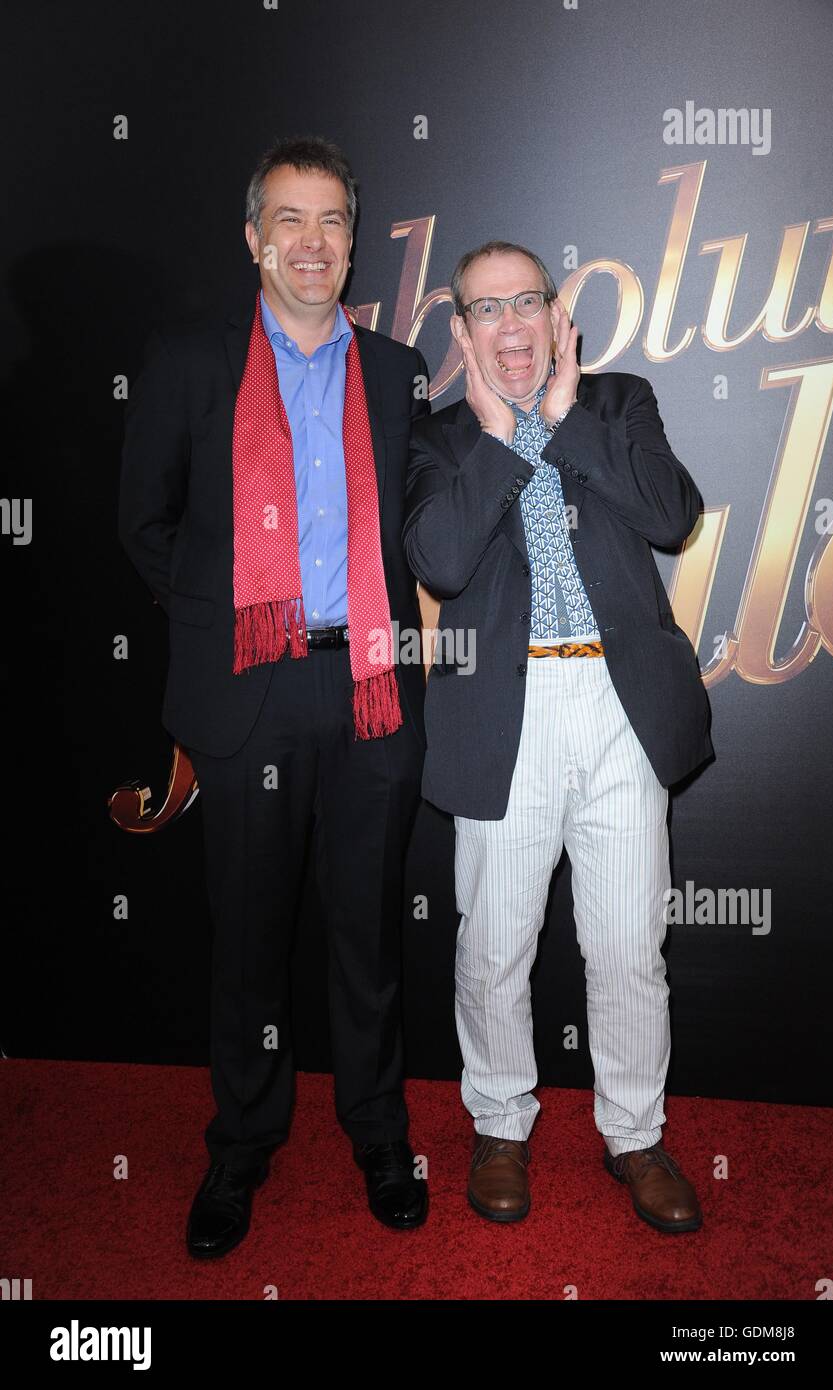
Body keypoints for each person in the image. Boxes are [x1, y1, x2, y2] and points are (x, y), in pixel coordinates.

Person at [119, 136, 430, 1258]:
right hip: (249, 687)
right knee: (247, 939)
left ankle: (379, 1133)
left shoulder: (396, 372)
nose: (312, 241)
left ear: (354, 242)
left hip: (368, 690)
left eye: (333, 220)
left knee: (367, 934)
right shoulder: (191, 357)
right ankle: (241, 1143)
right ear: (253, 237)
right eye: (289, 219)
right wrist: (224, 616)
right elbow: (141, 523)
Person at [403, 240, 713, 1232]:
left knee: (627, 946)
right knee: (493, 942)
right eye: (484, 310)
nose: (508, 326)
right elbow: (440, 562)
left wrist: (563, 420)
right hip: (506, 711)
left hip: (618, 708)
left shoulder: (617, 404)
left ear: (554, 316)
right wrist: (500, 439)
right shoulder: (442, 439)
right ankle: (499, 1124)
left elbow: (671, 517)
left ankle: (634, 1134)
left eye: (524, 303)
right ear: (459, 331)